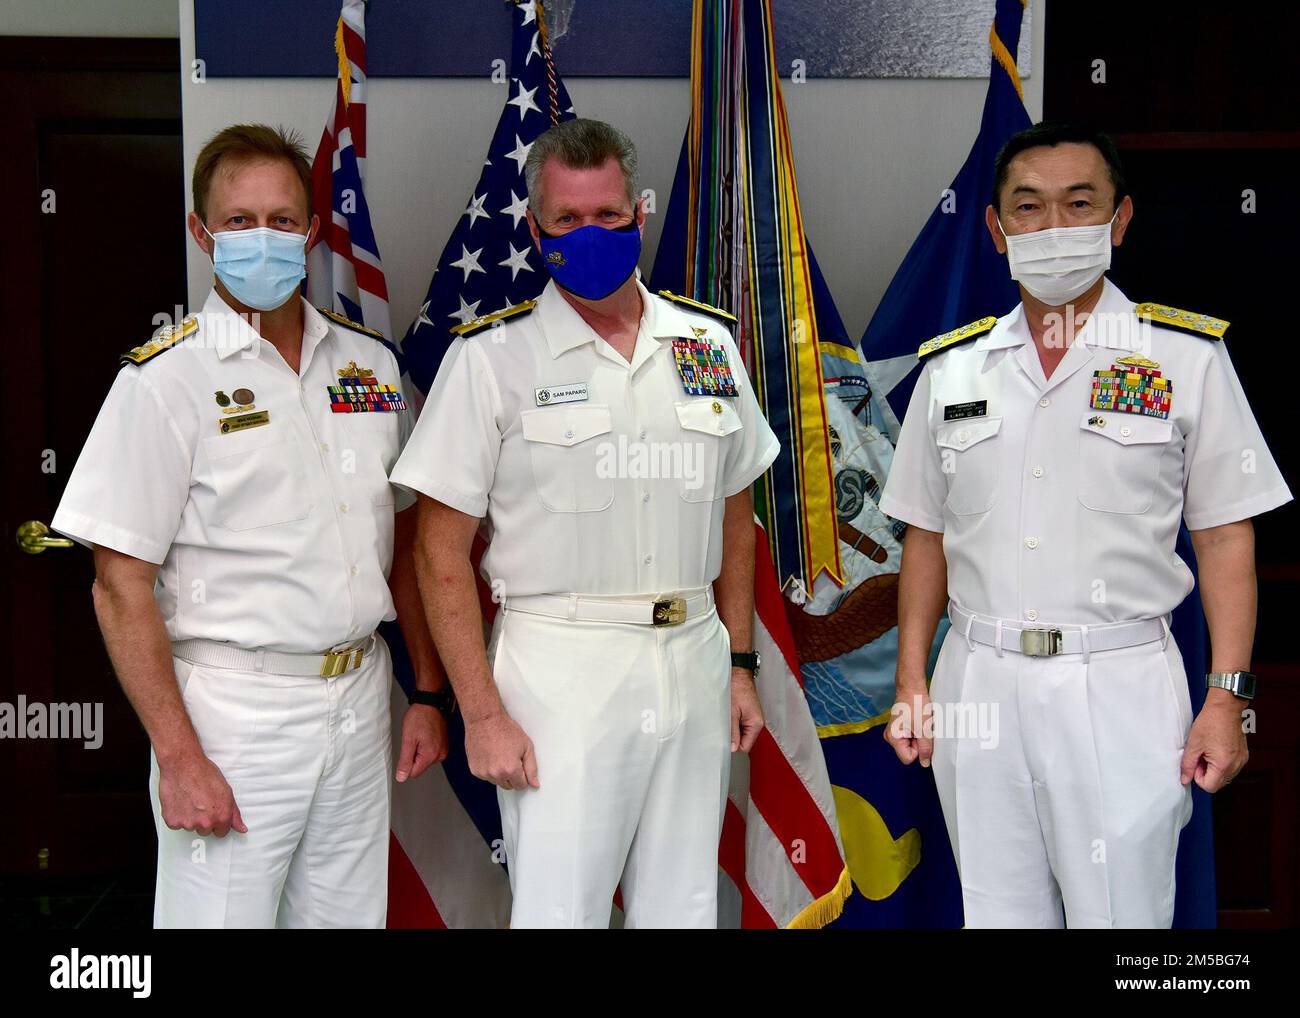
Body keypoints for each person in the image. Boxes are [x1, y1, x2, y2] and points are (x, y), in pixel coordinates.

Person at [880, 121, 1292, 928]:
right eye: (1028, 208)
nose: (1054, 227)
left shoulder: (1185, 359)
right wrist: (912, 682)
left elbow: (1224, 541)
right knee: (997, 913)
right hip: (981, 678)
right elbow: (925, 535)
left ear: (1121, 219)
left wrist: (1227, 697)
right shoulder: (953, 369)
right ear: (996, 230)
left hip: (1121, 685)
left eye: (1080, 204)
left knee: (1125, 916)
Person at [51, 123, 451, 929]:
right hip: (234, 711)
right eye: (238, 221)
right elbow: (117, 586)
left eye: (279, 218)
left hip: (358, 695)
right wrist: (180, 755)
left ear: (309, 232)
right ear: (202, 235)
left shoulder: (368, 368)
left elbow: (403, 541)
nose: (260, 237)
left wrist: (427, 690)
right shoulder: (166, 381)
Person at [391, 118, 780, 928]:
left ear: (639, 213)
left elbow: (735, 515)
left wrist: (741, 661)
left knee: (685, 908)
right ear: (535, 230)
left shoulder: (704, 344)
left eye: (607, 215)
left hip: (695, 656)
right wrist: (482, 713)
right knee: (559, 909)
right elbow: (438, 555)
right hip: (560, 670)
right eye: (566, 220)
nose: (589, 234)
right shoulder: (492, 361)